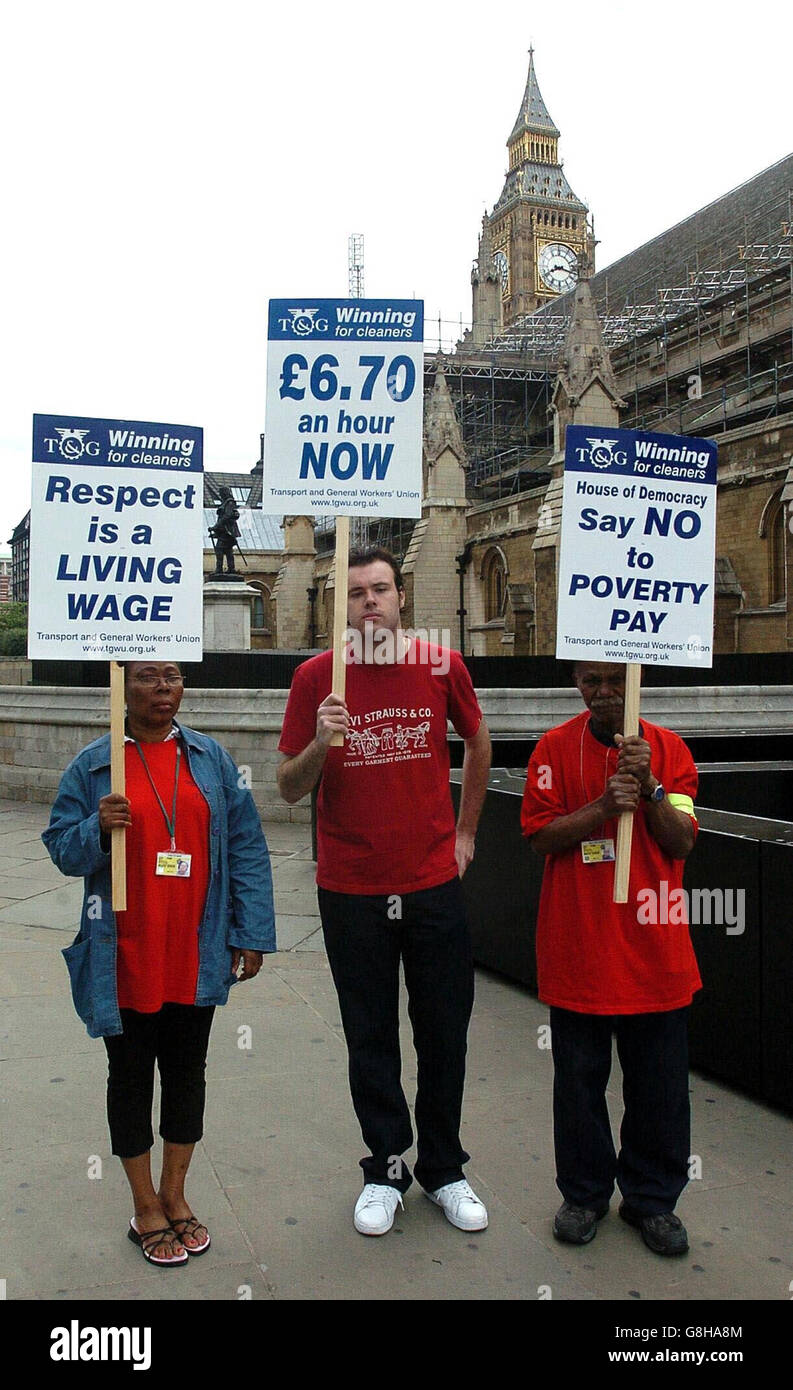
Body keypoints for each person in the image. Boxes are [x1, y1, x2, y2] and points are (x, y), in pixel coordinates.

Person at [277, 547, 491, 1236]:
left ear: (401, 598)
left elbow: (480, 741)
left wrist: (465, 834)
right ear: (341, 607)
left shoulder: (441, 665)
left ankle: (445, 1169)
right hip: (351, 889)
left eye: (381, 589)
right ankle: (385, 1170)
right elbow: (286, 787)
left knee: (443, 1035)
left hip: (431, 883)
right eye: (356, 593)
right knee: (370, 1036)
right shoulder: (316, 677)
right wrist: (320, 741)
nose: (370, 602)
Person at [44, 660, 275, 1268]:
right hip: (123, 955)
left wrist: (250, 932)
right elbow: (60, 848)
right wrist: (97, 826)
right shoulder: (96, 765)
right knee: (129, 1077)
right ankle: (144, 1205)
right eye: (147, 677)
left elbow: (247, 844)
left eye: (172, 676)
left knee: (187, 1073)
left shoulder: (213, 761)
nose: (163, 688)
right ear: (121, 686)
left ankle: (176, 1194)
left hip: (194, 954)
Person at [520, 660, 701, 1257]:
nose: (601, 693)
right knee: (578, 1085)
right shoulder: (551, 748)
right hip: (580, 951)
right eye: (589, 680)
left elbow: (681, 841)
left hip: (656, 954)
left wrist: (649, 791)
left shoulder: (670, 752)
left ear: (636, 678)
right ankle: (584, 1194)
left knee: (660, 1089)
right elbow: (541, 836)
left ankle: (652, 1200)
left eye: (613, 680)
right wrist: (602, 807)